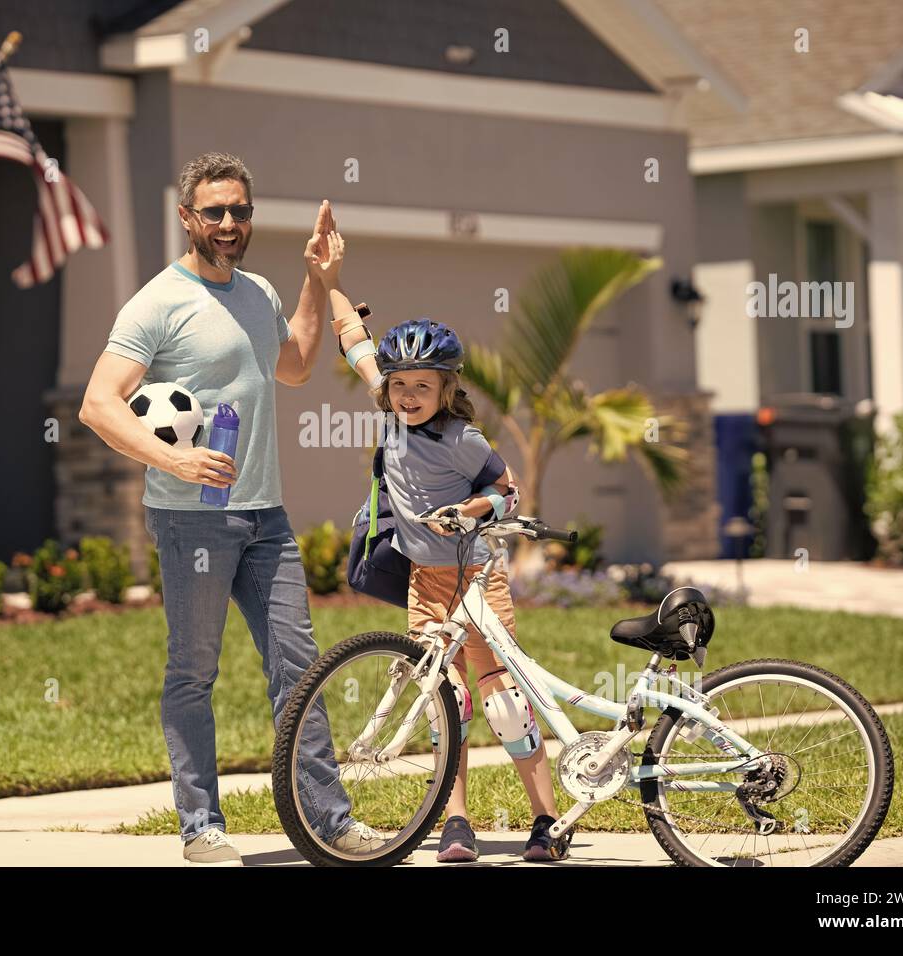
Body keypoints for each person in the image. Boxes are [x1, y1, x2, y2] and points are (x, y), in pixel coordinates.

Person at [79, 153, 381, 865]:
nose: (227, 223)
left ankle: (329, 819)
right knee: (193, 671)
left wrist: (318, 280)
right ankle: (200, 826)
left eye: (239, 211)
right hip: (192, 521)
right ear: (187, 217)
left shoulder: (258, 291)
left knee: (299, 670)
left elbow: (298, 364)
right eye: (212, 212)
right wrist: (176, 461)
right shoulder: (156, 302)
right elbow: (98, 404)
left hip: (266, 516)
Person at [309, 230, 562, 862]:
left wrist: (473, 509)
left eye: (422, 386)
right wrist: (329, 277)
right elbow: (357, 344)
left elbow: (510, 492)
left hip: (478, 579)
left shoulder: (464, 441)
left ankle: (546, 822)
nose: (408, 396)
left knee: (503, 704)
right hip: (426, 583)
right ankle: (455, 823)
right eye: (400, 386)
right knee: (444, 704)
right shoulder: (390, 414)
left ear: (446, 389)